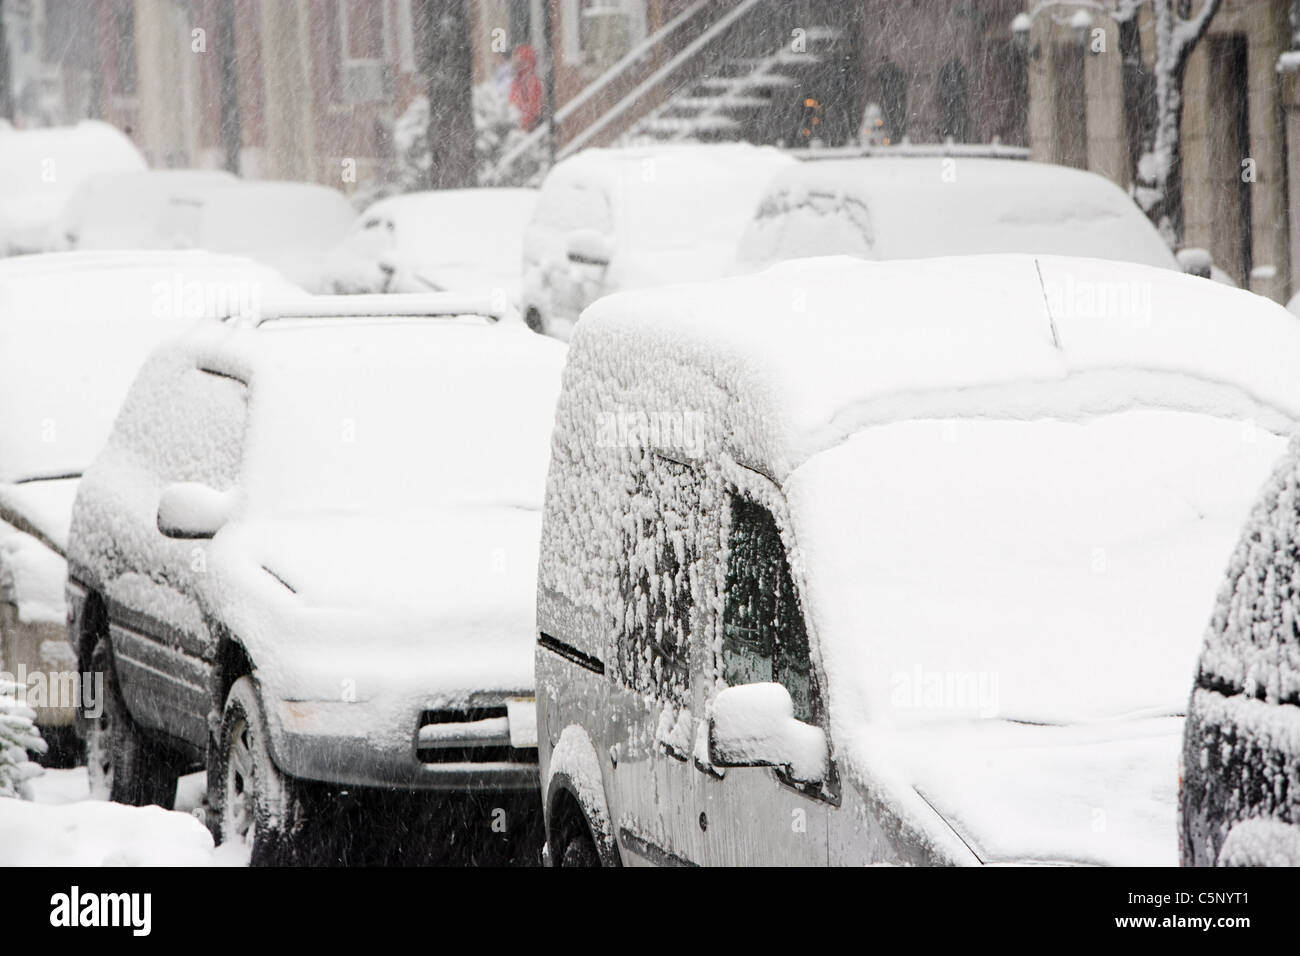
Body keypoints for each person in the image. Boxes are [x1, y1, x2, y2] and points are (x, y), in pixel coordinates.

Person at [509, 44, 543, 132]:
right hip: (515, 125)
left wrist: (523, 126)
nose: (513, 62)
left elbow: (532, 108)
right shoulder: (516, 80)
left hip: (525, 129)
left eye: (518, 60)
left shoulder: (531, 81)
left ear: (526, 62)